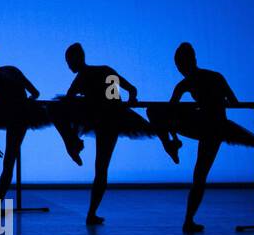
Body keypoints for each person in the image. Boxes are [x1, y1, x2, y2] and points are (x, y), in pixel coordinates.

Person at [52, 42, 171, 225]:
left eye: (69, 61)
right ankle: (91, 213)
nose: (68, 66)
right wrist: (130, 101)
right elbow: (129, 90)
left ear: (77, 59)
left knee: (55, 108)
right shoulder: (105, 71)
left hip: (104, 120)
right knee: (101, 169)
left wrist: (73, 129)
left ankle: (72, 143)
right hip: (113, 118)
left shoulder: (83, 77)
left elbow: (68, 103)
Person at [146, 43, 254, 232]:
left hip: (211, 128)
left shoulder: (190, 82)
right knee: (199, 175)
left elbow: (171, 109)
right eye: (179, 67)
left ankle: (171, 144)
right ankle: (170, 144)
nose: (181, 70)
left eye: (181, 66)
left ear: (189, 62)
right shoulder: (209, 78)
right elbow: (234, 102)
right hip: (209, 126)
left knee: (199, 175)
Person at [0, 50, 80, 203]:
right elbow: (35, 92)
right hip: (21, 113)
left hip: (17, 117)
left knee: (8, 161)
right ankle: (71, 141)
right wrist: (26, 100)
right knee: (9, 161)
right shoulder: (10, 70)